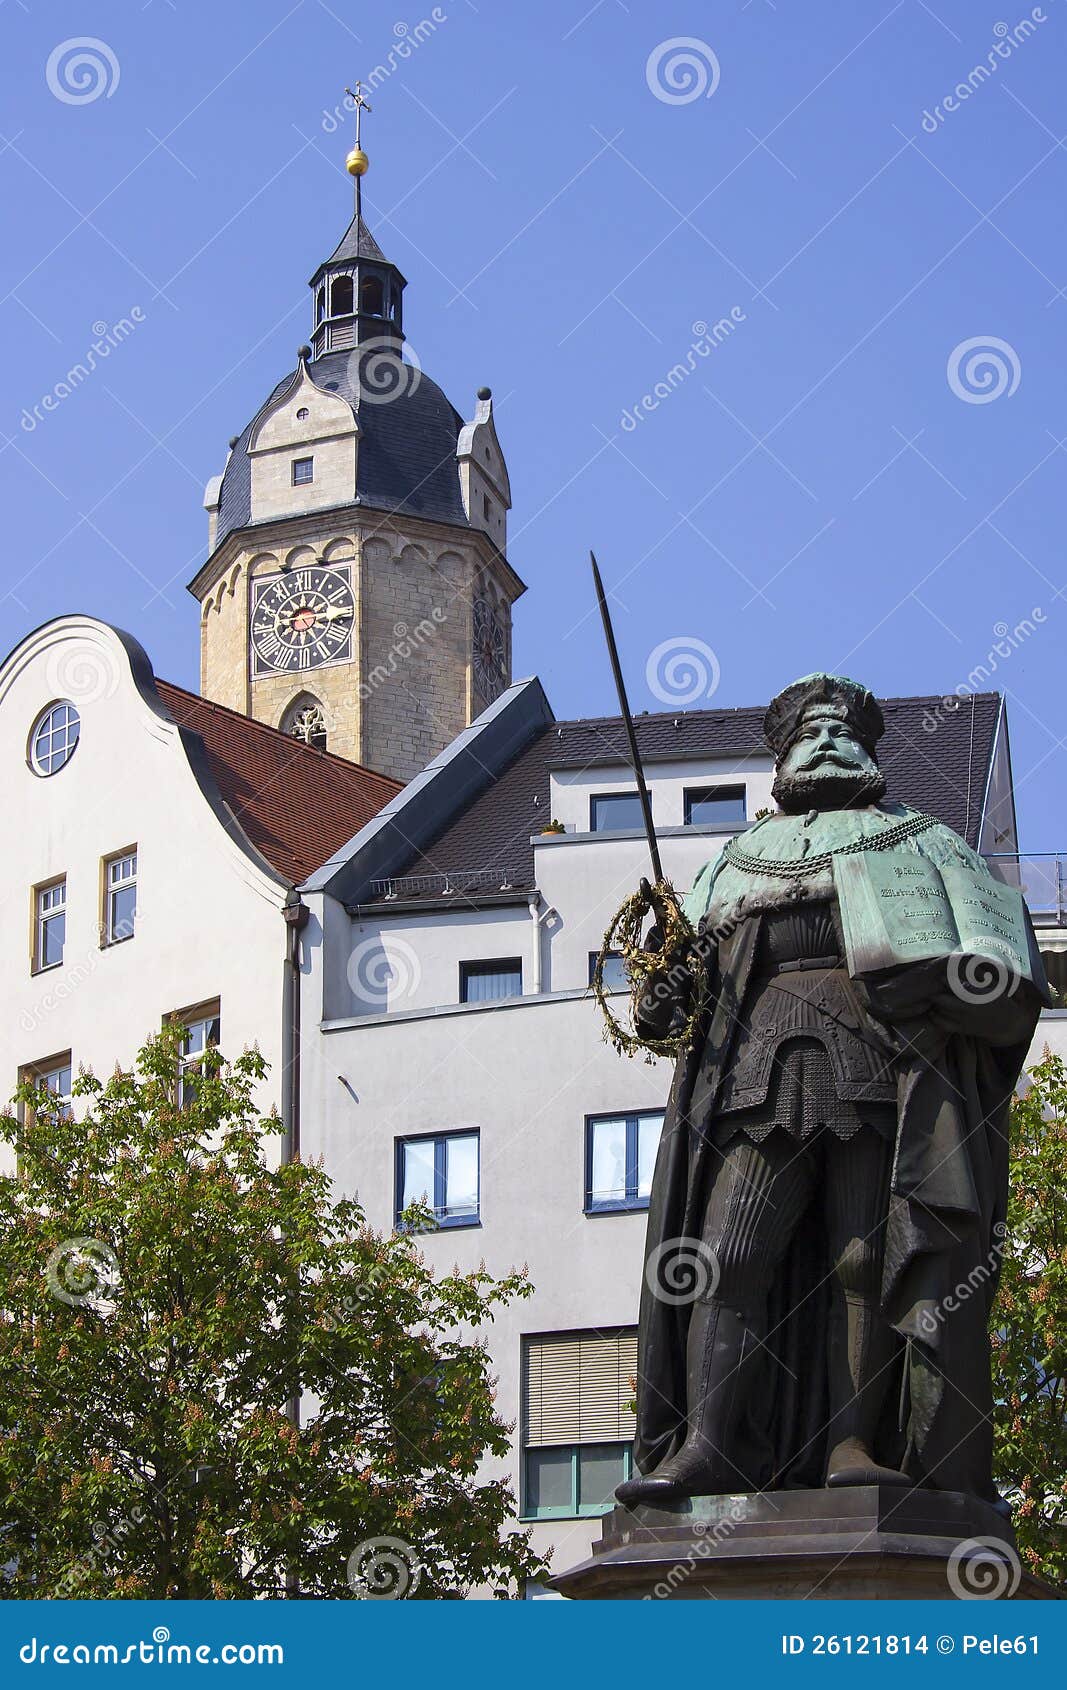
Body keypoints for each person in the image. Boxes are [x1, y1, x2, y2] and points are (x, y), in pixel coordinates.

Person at [616, 672, 1046, 1506]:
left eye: (838, 733)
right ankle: (707, 1444)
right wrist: (664, 980)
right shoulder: (727, 864)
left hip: (885, 1070)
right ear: (779, 762)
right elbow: (668, 1009)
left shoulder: (922, 840)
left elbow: (1002, 974)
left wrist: (948, 977)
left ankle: (852, 1443)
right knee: (726, 1258)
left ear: (869, 752)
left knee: (865, 1260)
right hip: (752, 1072)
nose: (823, 742)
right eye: (804, 735)